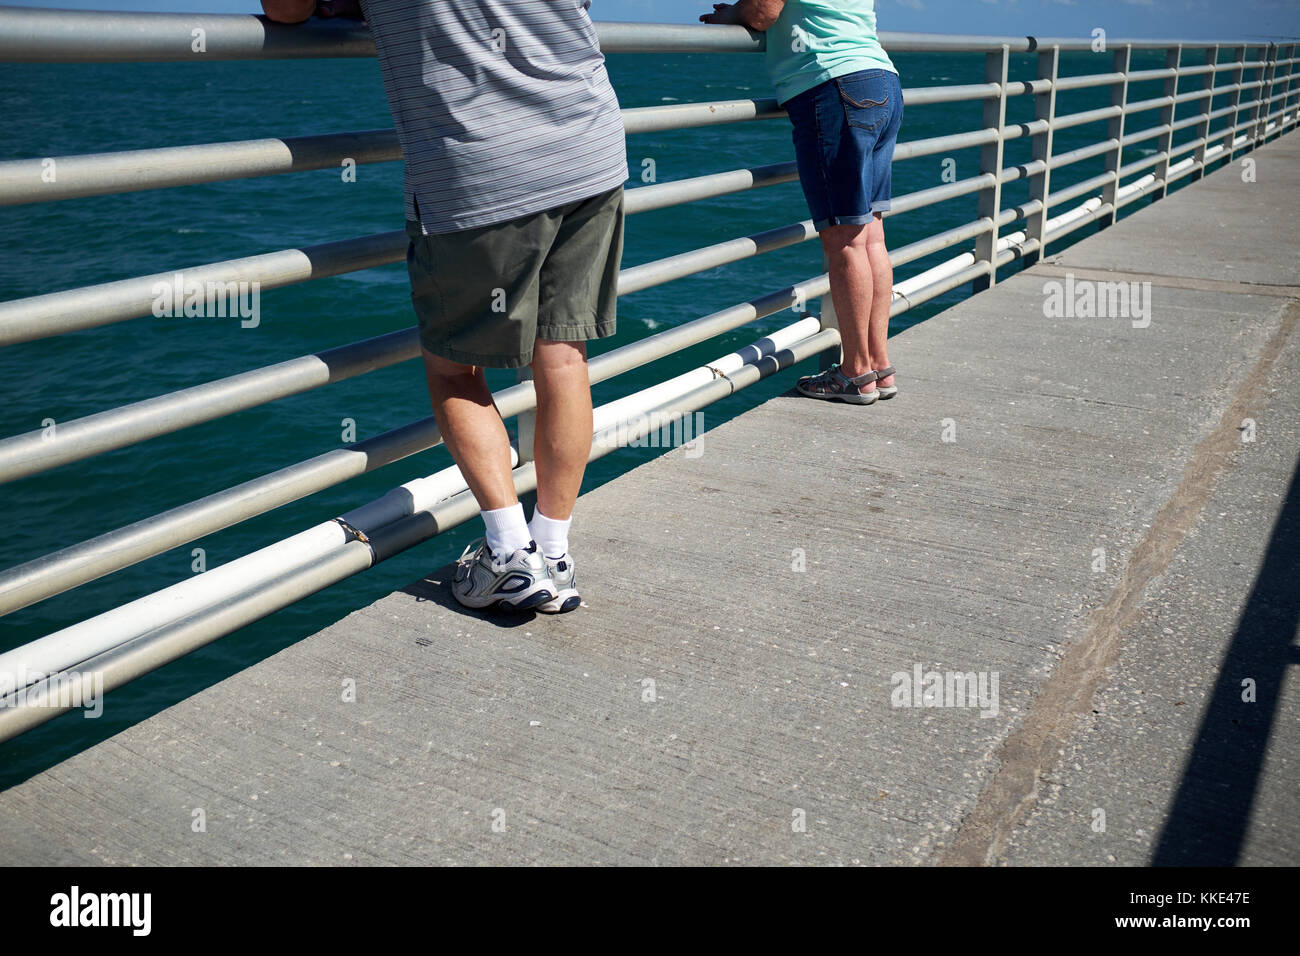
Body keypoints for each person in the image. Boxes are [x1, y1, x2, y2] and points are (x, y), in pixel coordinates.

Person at [263, 0, 628, 613]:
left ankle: (510, 555)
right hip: (588, 146)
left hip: (482, 168)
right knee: (563, 357)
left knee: (456, 369)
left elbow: (287, 9)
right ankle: (553, 552)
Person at [701, 0, 902, 405]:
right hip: (879, 78)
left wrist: (735, 13)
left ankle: (855, 373)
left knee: (844, 238)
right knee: (870, 235)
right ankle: (878, 367)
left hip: (832, 85)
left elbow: (763, 11)